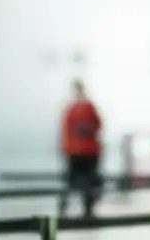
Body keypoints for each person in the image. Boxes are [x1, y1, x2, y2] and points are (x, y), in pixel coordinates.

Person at [58, 79, 103, 218]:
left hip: (87, 152)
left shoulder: (87, 108)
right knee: (73, 181)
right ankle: (66, 207)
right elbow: (66, 132)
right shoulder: (71, 109)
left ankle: (87, 208)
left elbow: (97, 126)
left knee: (88, 181)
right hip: (77, 152)